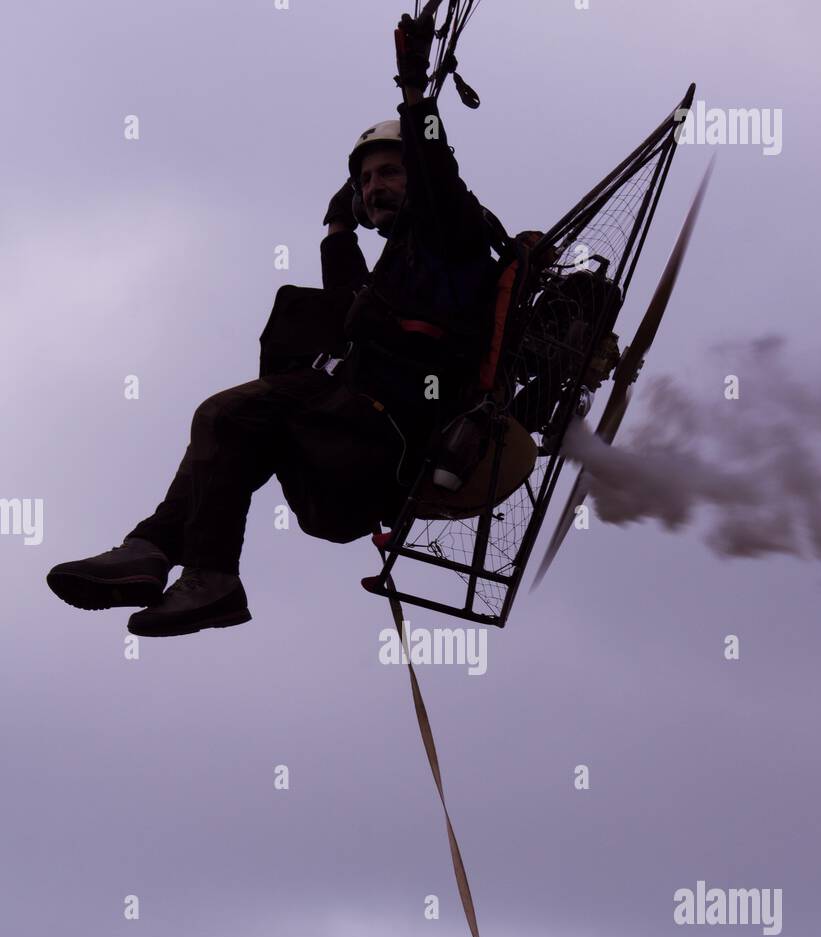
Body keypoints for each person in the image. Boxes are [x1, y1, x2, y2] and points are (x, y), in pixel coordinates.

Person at [46, 11, 502, 637]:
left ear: (419, 177)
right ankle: (153, 550)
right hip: (345, 453)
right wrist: (340, 232)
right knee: (231, 432)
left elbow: (438, 174)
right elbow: (351, 313)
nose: (375, 188)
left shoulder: (453, 233)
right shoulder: (401, 270)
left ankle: (211, 580)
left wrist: (416, 89)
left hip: (384, 435)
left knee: (224, 415)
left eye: (390, 172)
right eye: (365, 181)